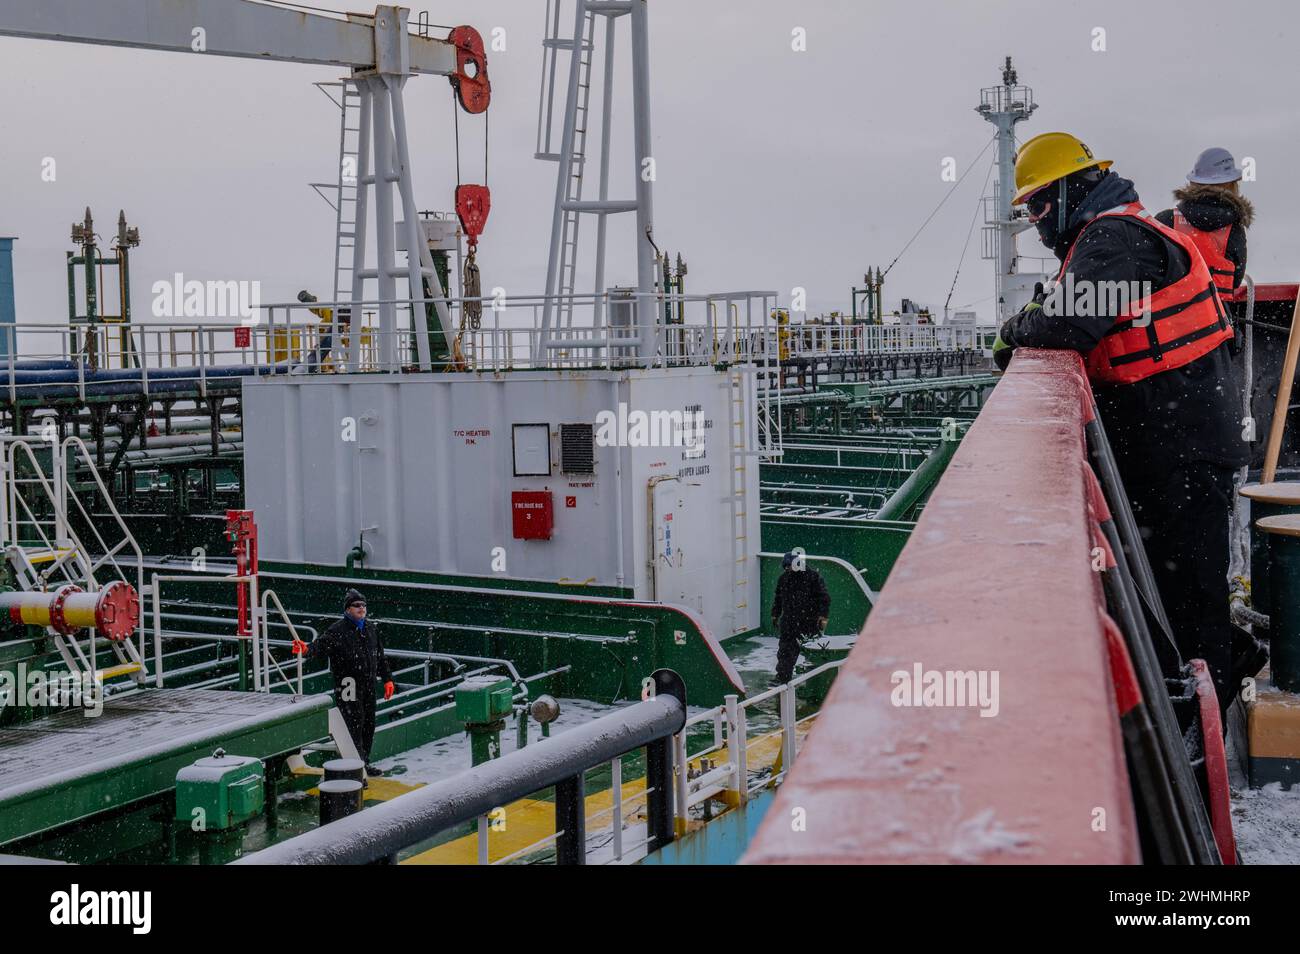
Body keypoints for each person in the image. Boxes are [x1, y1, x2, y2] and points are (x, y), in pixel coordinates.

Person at [994, 132, 1248, 715]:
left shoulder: (1115, 239)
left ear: (1064, 195)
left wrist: (1011, 333)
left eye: (1036, 205)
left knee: (1187, 594)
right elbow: (1071, 312)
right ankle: (1206, 683)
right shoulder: (1118, 234)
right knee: (1178, 585)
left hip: (1182, 449)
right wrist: (1038, 314)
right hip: (1178, 439)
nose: (1034, 220)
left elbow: (1067, 325)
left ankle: (1200, 717)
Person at [293, 588, 395, 775]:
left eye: (363, 605)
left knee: (368, 724)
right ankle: (354, 767)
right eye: (357, 605)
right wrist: (306, 650)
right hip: (348, 684)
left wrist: (388, 679)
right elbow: (320, 647)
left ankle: (364, 762)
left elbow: (380, 656)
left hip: (369, 685)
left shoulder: (371, 628)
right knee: (353, 724)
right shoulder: (337, 630)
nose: (361, 608)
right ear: (348, 609)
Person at [1154, 148, 1253, 299]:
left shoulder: (1166, 220)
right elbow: (1236, 280)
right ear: (1232, 185)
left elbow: (1150, 270)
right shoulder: (1234, 229)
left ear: (1194, 182)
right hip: (1216, 319)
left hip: (1170, 316)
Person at [770, 549, 831, 685]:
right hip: (789, 623)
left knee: (812, 653)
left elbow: (824, 598)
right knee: (785, 652)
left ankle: (814, 682)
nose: (788, 569)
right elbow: (778, 598)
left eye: (789, 566)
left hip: (809, 623)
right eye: (786, 567)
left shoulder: (813, 577)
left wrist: (823, 616)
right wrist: (775, 614)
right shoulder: (784, 579)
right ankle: (782, 678)